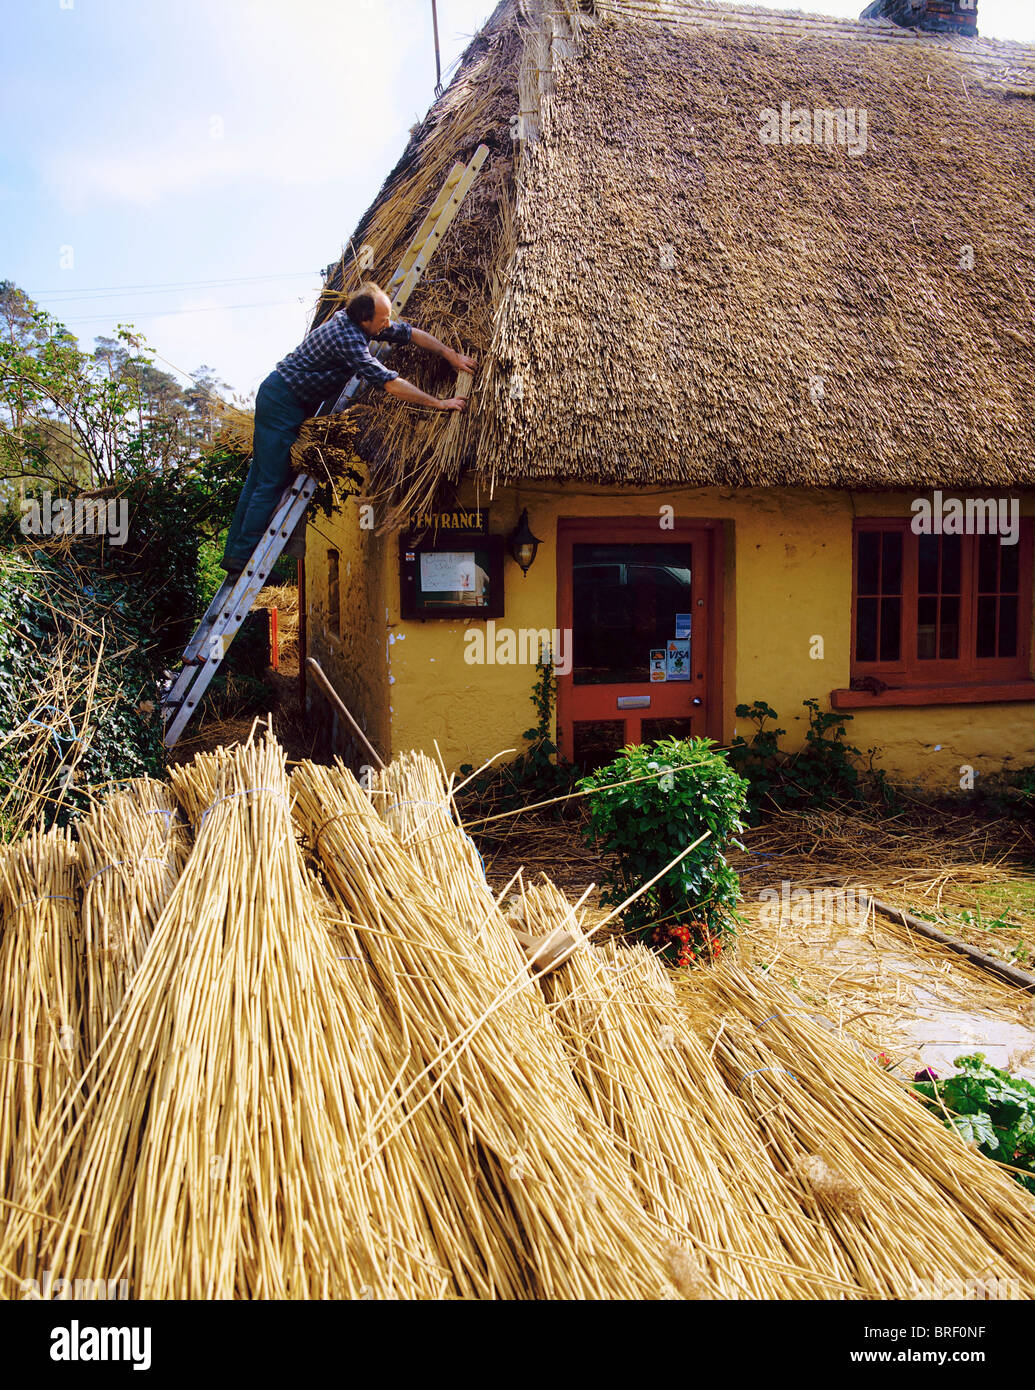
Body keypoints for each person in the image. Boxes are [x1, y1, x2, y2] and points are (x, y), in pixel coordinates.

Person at [220, 280, 477, 574]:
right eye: (383, 320)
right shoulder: (348, 338)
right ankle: (242, 558)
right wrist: (439, 403)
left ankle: (237, 553)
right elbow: (389, 382)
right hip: (281, 401)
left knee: (261, 477)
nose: (388, 324)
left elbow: (411, 334)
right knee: (269, 480)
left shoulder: (367, 323)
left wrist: (450, 354)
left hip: (293, 401)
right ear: (364, 319)